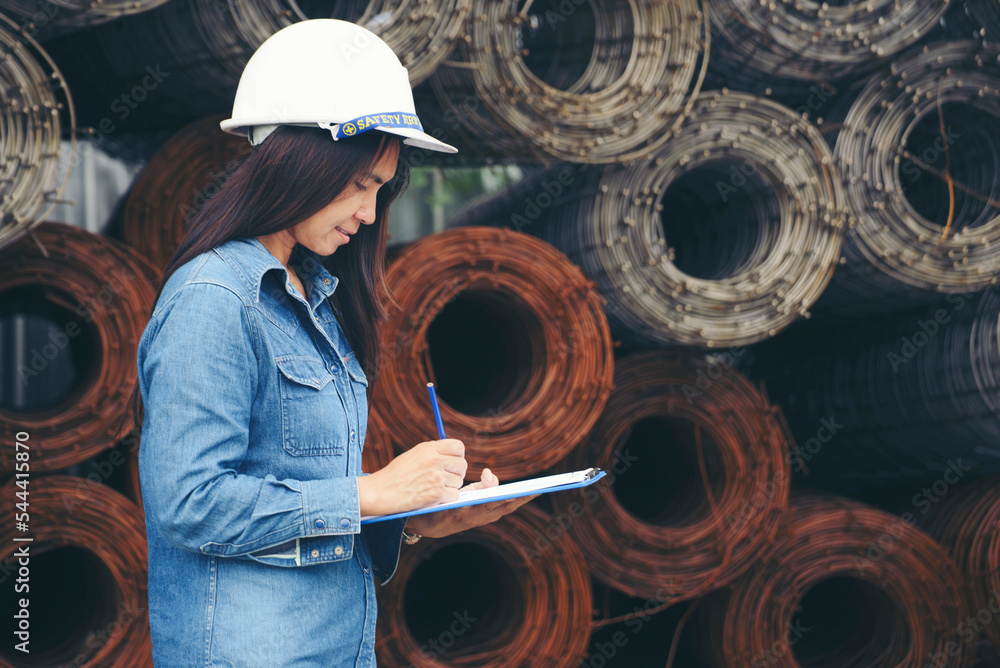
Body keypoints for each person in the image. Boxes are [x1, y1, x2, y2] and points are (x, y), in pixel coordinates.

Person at [127, 19, 532, 667]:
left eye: (380, 190)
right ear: (299, 161)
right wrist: (373, 494)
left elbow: (303, 498)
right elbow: (190, 503)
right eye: (362, 184)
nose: (370, 215)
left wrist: (415, 518)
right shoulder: (215, 298)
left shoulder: (313, 297)